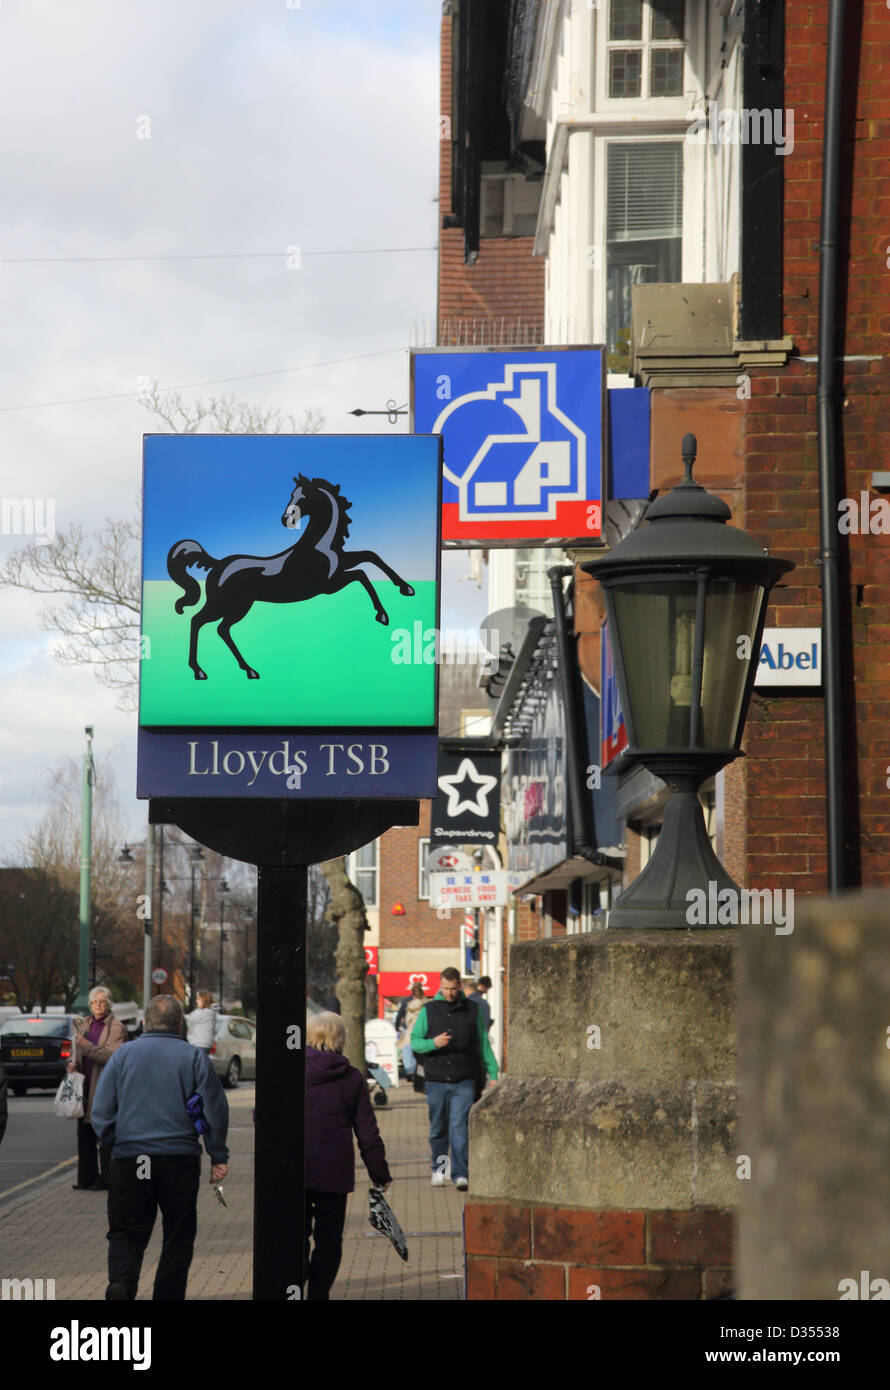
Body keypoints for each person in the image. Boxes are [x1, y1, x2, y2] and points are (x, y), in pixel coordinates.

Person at [90, 993, 229, 1301]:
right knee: (178, 1236)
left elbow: (101, 1110)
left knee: (126, 1230)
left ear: (144, 1022)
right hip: (178, 1158)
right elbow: (214, 1109)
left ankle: (122, 1283)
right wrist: (217, 1153)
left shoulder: (123, 1056)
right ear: (180, 1024)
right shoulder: (193, 1057)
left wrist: (115, 1142)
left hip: (131, 1157)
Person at [306, 1011, 392, 1300]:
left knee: (293, 1235)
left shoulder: (288, 1071)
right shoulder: (352, 1077)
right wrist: (379, 1173)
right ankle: (318, 1293)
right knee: (329, 1240)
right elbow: (367, 1132)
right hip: (334, 1170)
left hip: (294, 1168)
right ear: (341, 1039)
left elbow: (263, 1117)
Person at [410, 966, 498, 1191]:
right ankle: (440, 1170)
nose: (449, 993)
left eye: (453, 988)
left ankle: (460, 1172)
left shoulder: (472, 1009)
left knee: (459, 1126)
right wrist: (433, 1043)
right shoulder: (428, 1010)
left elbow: (482, 1042)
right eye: (445, 988)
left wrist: (494, 1072)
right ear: (440, 986)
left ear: (459, 985)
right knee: (438, 1127)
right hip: (436, 1079)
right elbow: (415, 1041)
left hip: (464, 1078)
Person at [68, 986, 127, 1191]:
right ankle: (86, 1176)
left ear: (108, 1004)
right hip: (83, 1083)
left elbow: (111, 1056)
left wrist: (86, 1045)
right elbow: (75, 1049)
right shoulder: (85, 1023)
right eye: (94, 1001)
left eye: (101, 1001)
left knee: (102, 1131)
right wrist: (71, 1062)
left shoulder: (116, 1027)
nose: (98, 1005)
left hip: (102, 1084)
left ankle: (107, 1177)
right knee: (84, 1132)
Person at [396, 983, 427, 1080]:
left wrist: (397, 1026)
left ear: (412, 993)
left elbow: (400, 1015)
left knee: (407, 1051)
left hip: (409, 1031)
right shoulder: (426, 1002)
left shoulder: (406, 1001)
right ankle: (421, 1074)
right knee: (421, 1054)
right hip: (423, 1031)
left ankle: (410, 1072)